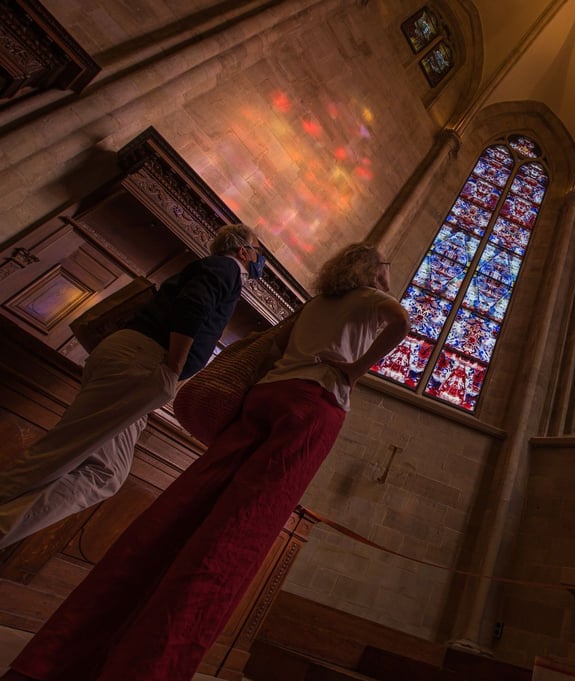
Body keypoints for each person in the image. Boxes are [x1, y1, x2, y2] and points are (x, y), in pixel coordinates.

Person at [1, 241, 409, 681]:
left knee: (173, 516)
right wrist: (353, 370)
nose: (390, 276)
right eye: (385, 267)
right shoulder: (366, 297)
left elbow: (275, 349)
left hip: (265, 395)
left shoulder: (316, 304)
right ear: (370, 270)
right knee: (235, 538)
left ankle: (54, 661)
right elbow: (402, 321)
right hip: (313, 402)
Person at [0, 223, 262, 549]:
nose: (258, 258)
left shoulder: (225, 274)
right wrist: (174, 366)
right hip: (143, 363)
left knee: (105, 474)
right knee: (58, 455)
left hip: (141, 368)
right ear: (242, 251)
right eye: (257, 250)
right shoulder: (226, 268)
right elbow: (193, 306)